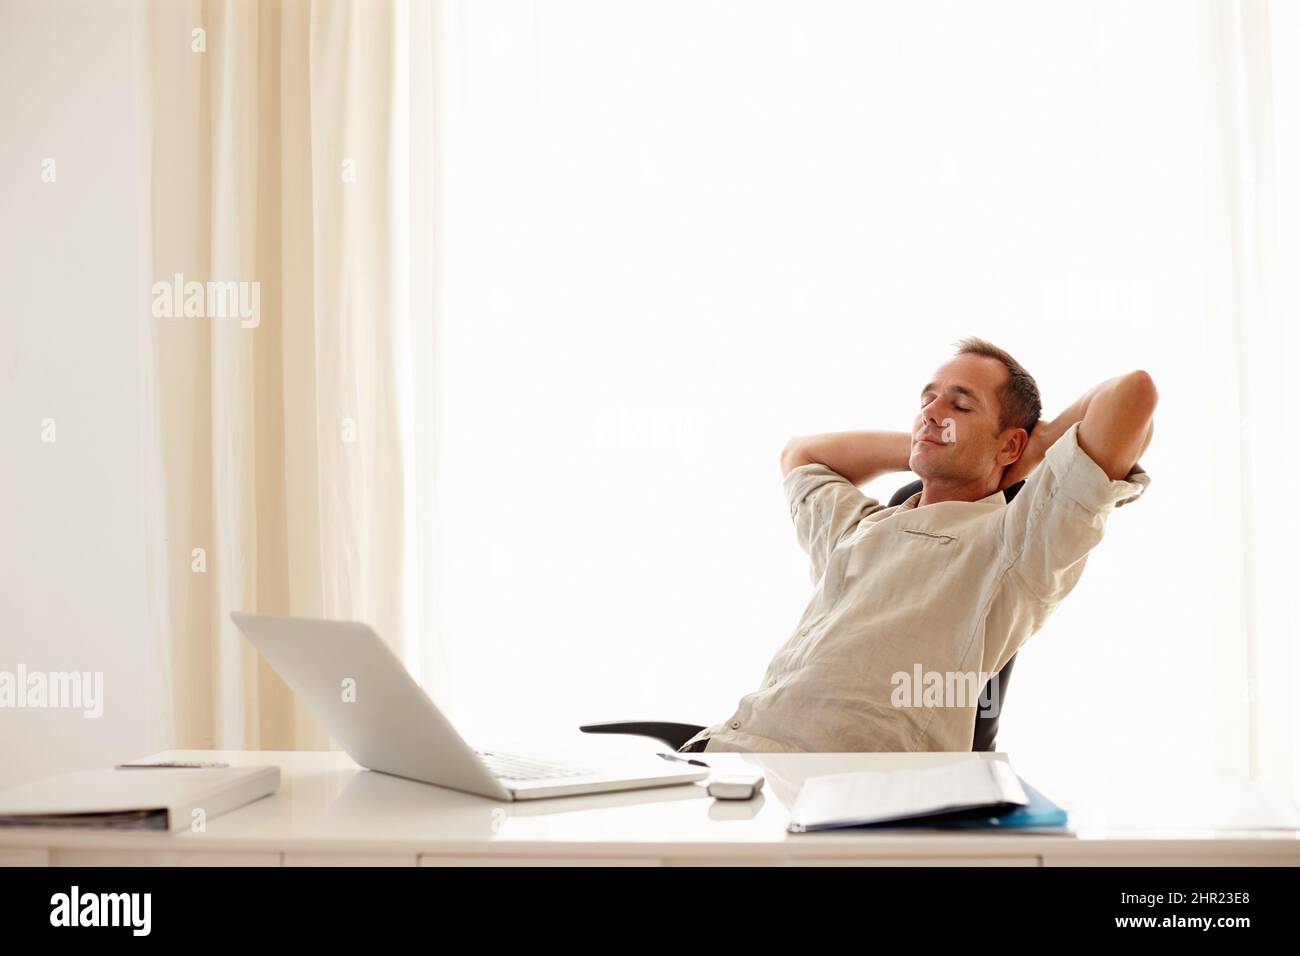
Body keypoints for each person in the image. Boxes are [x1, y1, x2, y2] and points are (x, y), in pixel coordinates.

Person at [678, 337, 1156, 754]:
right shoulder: (860, 529)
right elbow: (800, 453)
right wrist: (924, 443)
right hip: (727, 756)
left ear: (1010, 445)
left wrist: (1035, 447)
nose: (932, 413)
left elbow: (1131, 395)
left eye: (961, 406)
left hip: (843, 787)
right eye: (927, 402)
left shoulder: (1017, 543)